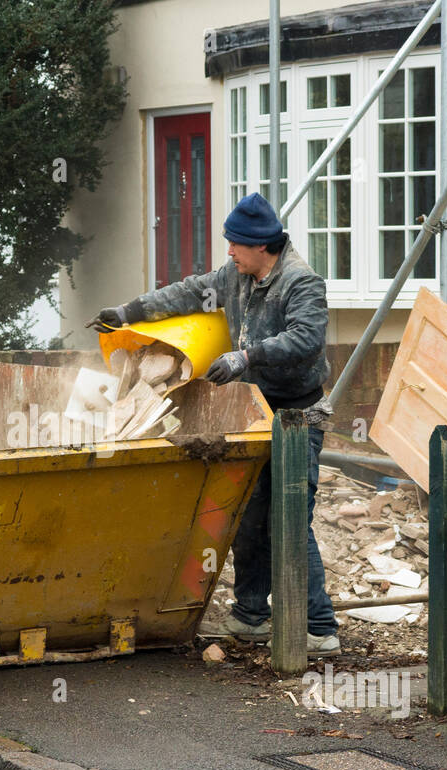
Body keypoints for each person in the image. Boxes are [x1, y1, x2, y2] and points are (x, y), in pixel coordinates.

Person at [94, 192, 339, 656]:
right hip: (252, 411)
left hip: (295, 416)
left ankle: (320, 627)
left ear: (261, 246)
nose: (228, 252)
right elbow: (187, 291)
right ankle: (251, 615)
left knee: (289, 520)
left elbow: (306, 339)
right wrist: (128, 312)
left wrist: (247, 354)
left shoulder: (301, 282)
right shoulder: (235, 276)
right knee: (250, 515)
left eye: (235, 245)